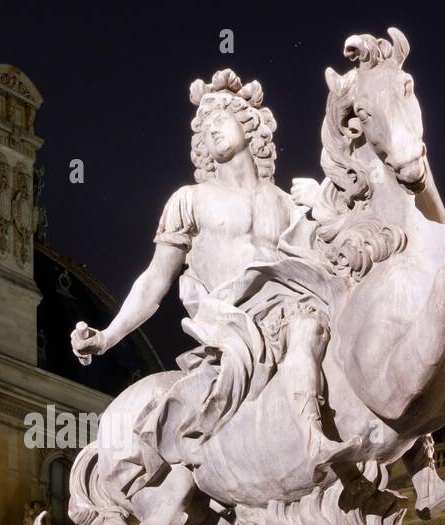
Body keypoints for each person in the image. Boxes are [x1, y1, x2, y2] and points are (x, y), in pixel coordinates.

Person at [71, 68, 356, 473]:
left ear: (248, 123)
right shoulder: (191, 199)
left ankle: (419, 462)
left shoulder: (290, 204)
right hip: (233, 323)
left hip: (292, 308)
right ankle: (313, 442)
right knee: (305, 329)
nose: (211, 132)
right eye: (203, 129)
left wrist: (327, 206)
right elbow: (155, 279)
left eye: (220, 120)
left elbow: (333, 266)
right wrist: (107, 338)